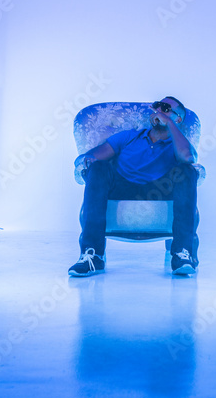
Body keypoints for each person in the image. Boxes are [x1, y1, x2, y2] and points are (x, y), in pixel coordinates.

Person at [70, 96, 199, 277]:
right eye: (158, 107)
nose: (160, 111)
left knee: (187, 171)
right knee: (98, 167)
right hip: (123, 185)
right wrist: (84, 163)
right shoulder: (130, 136)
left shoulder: (178, 143)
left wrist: (169, 123)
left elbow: (188, 158)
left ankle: (181, 254)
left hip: (159, 190)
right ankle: (93, 256)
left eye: (166, 109)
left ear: (178, 119)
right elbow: (91, 156)